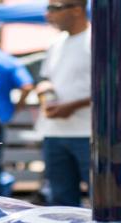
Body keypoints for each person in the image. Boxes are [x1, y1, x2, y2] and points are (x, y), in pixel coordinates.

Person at [34, 1, 91, 207]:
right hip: (54, 133)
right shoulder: (55, 43)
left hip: (89, 134)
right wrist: (44, 89)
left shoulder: (98, 40)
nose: (48, 14)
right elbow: (47, 77)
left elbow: (113, 87)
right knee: (60, 202)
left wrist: (73, 106)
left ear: (77, 9)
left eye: (54, 8)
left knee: (101, 200)